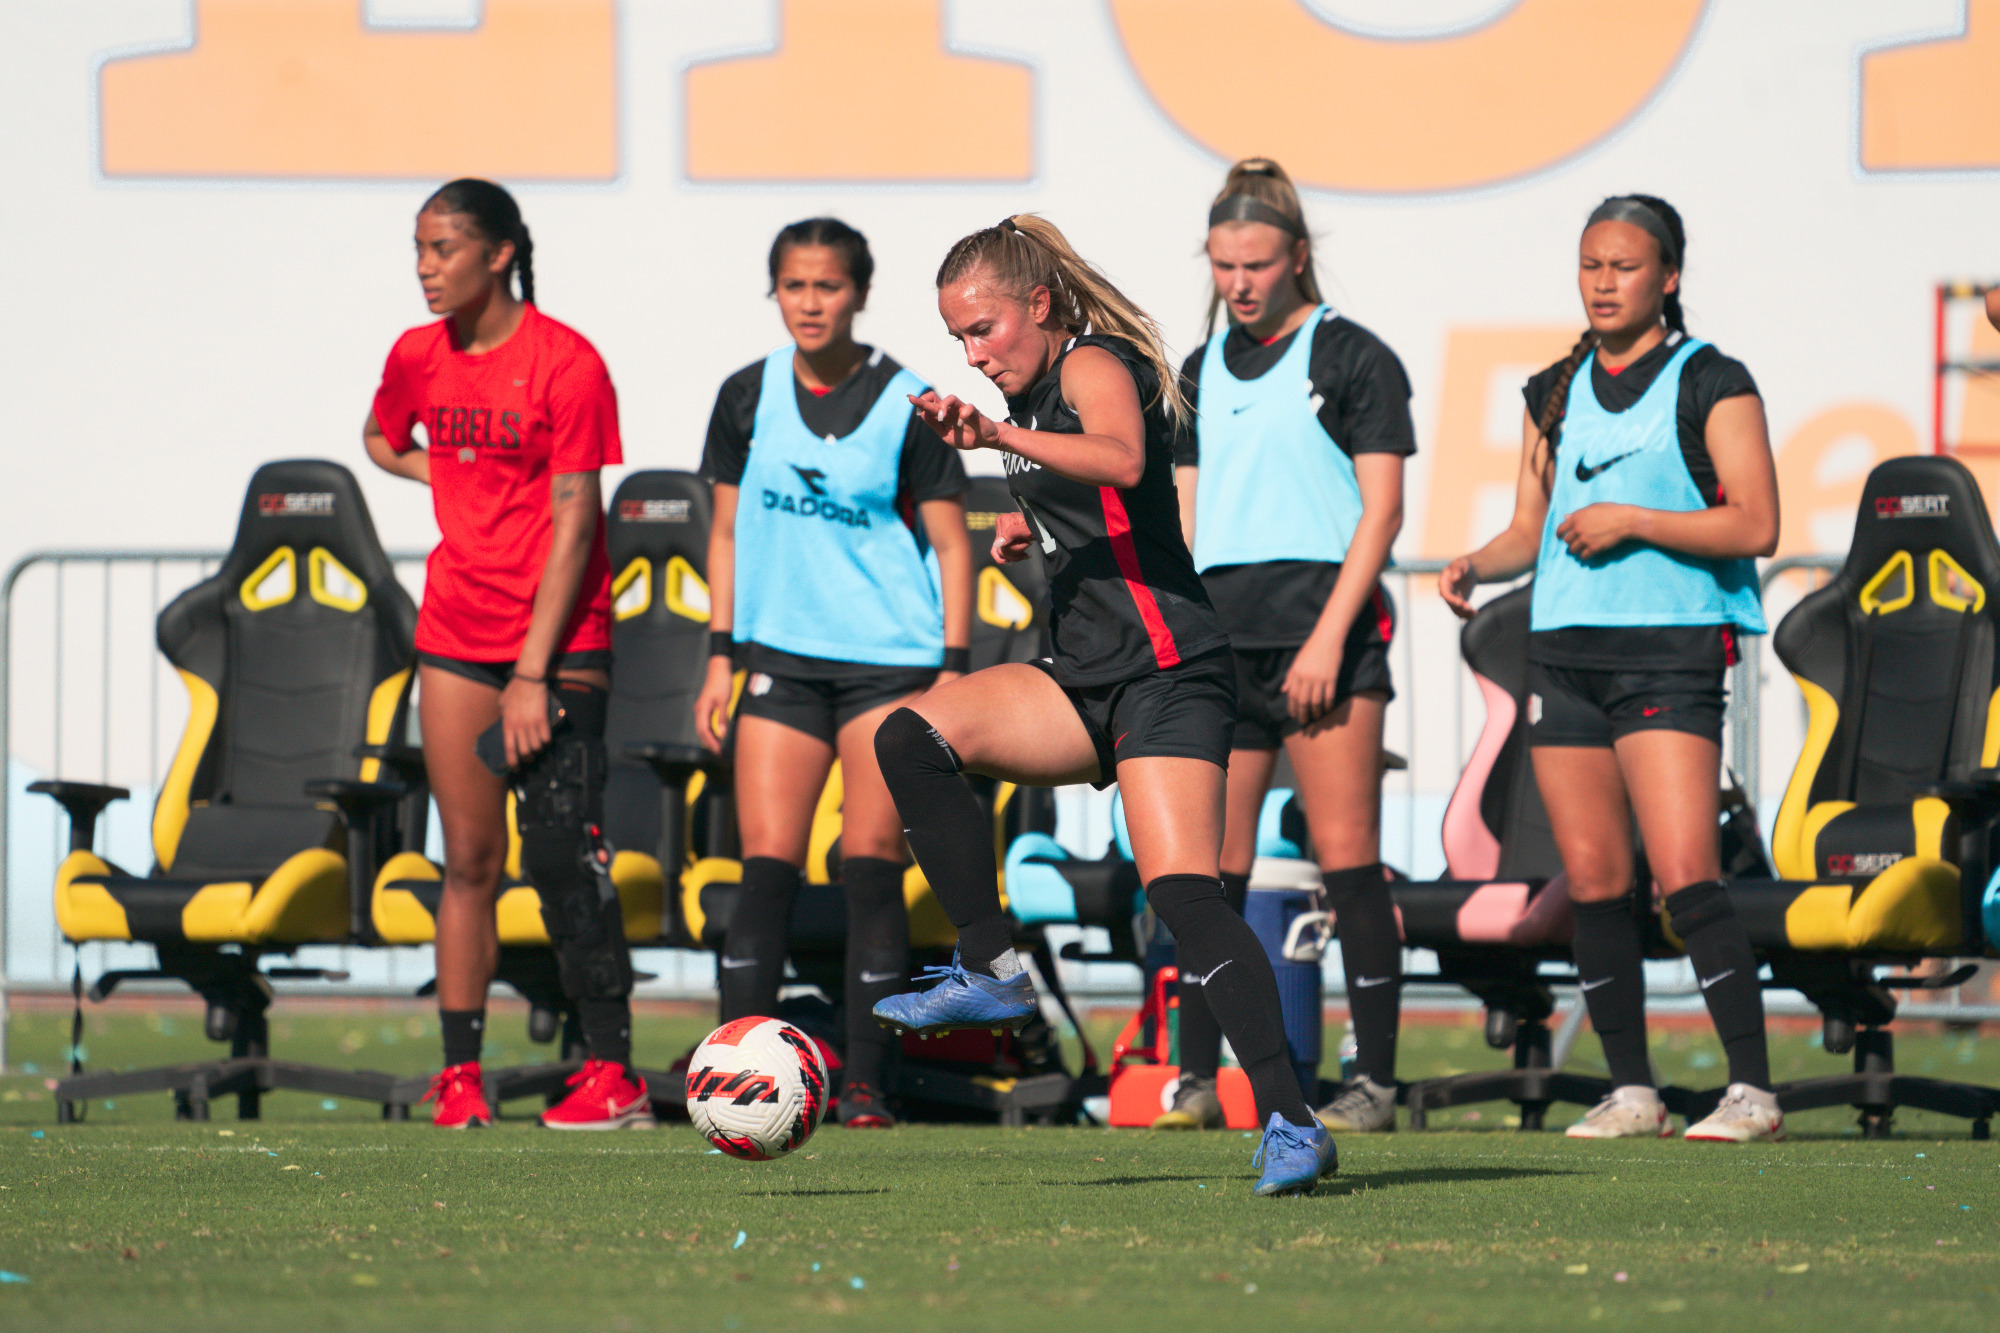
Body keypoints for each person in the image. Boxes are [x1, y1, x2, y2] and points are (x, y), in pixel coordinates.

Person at [868, 214, 1337, 1194]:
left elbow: (1123, 460)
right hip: (1082, 674)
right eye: (957, 336)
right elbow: (1095, 506)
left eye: (984, 326)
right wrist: (1024, 528)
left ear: (1037, 305)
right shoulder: (1034, 394)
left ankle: (1292, 1121)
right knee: (911, 736)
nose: (972, 351)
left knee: (1181, 895)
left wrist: (999, 440)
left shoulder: (1090, 363)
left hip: (1168, 670)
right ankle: (992, 970)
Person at [1441, 195, 1782, 1142]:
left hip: (1668, 653)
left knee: (1684, 874)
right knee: (1592, 879)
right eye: (1591, 263)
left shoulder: (1712, 379)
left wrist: (1636, 521)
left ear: (1668, 276)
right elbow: (1529, 527)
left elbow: (1756, 522)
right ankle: (1633, 1090)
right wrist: (1478, 561)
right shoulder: (1554, 387)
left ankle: (1752, 1090)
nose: (1602, 281)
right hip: (1566, 656)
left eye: (1624, 265)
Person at [364, 179, 649, 1130]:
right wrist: (448, 470)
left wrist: (532, 672)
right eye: (418, 249)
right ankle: (460, 1078)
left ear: (497, 254)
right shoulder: (416, 354)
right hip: (454, 634)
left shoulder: (566, 363)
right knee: (469, 860)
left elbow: (578, 521)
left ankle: (613, 1070)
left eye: (442, 248)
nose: (424, 268)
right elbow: (379, 437)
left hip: (560, 643)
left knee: (566, 850)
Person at [693, 218, 974, 1129]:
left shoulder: (907, 401)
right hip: (778, 659)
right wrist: (718, 654)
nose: (811, 303)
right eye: (794, 286)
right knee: (765, 867)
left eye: (828, 286)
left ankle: (865, 1082)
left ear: (859, 292)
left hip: (888, 662)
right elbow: (726, 533)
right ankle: (735, 1070)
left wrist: (954, 668)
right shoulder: (747, 395)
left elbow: (949, 542)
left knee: (870, 865)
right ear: (775, 291)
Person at [1160, 158, 1414, 1134]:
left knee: (1347, 863)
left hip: (1324, 640)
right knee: (1206, 873)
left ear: (1296, 258)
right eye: (1223, 265)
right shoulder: (1195, 369)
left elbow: (1381, 512)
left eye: (1257, 264)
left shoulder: (1351, 358)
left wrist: (1324, 640)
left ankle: (1373, 1084)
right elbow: (1184, 523)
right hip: (1224, 647)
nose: (1238, 283)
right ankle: (1194, 1079)